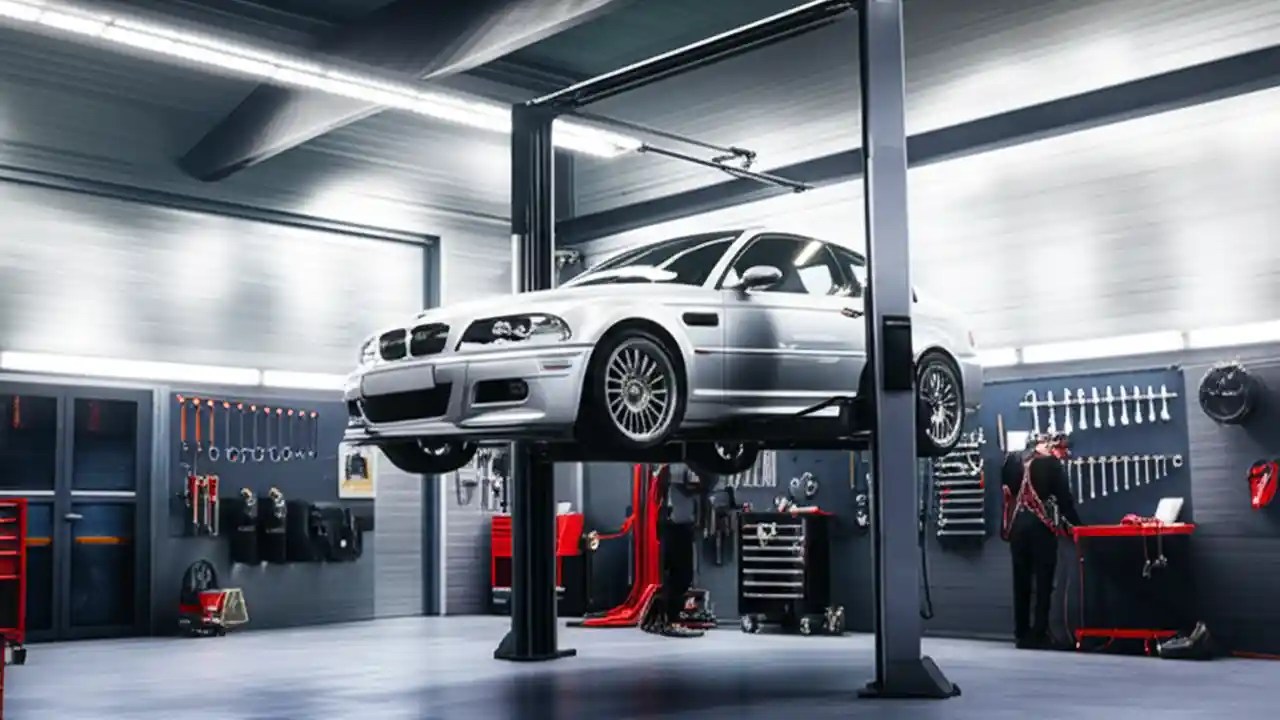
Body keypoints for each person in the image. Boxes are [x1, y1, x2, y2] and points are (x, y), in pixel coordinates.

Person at [1001, 433, 1081, 649]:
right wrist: (1078, 526)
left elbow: (1006, 490)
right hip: (1040, 528)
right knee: (1044, 583)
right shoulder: (1051, 465)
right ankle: (1039, 634)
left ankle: (1021, 633)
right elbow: (1065, 500)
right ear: (1048, 445)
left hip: (1017, 528)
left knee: (1021, 581)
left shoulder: (1013, 461)